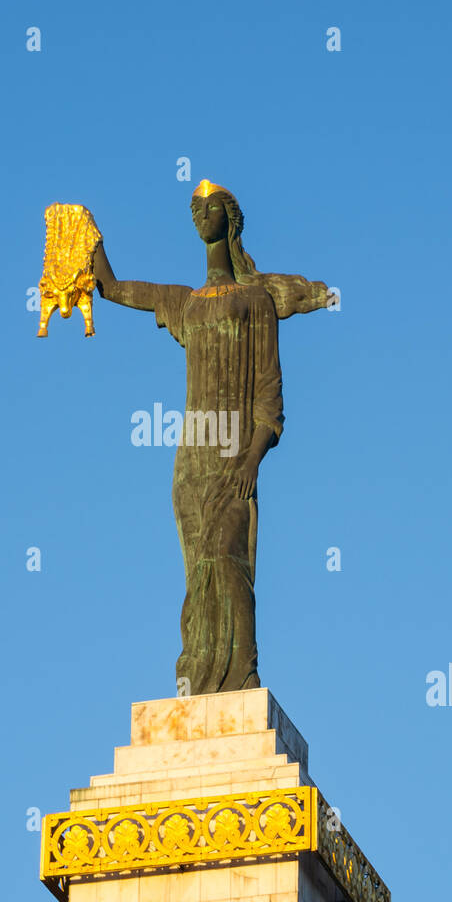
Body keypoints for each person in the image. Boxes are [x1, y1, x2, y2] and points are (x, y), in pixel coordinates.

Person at [93, 179, 334, 694]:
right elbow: (112, 289)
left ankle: (242, 671)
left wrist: (251, 459)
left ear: (230, 217)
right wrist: (87, 237)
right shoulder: (186, 303)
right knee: (197, 569)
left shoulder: (255, 301)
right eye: (194, 209)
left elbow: (270, 393)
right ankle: (196, 675)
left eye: (210, 207)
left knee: (227, 559)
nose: (201, 215)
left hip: (234, 450)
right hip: (193, 453)